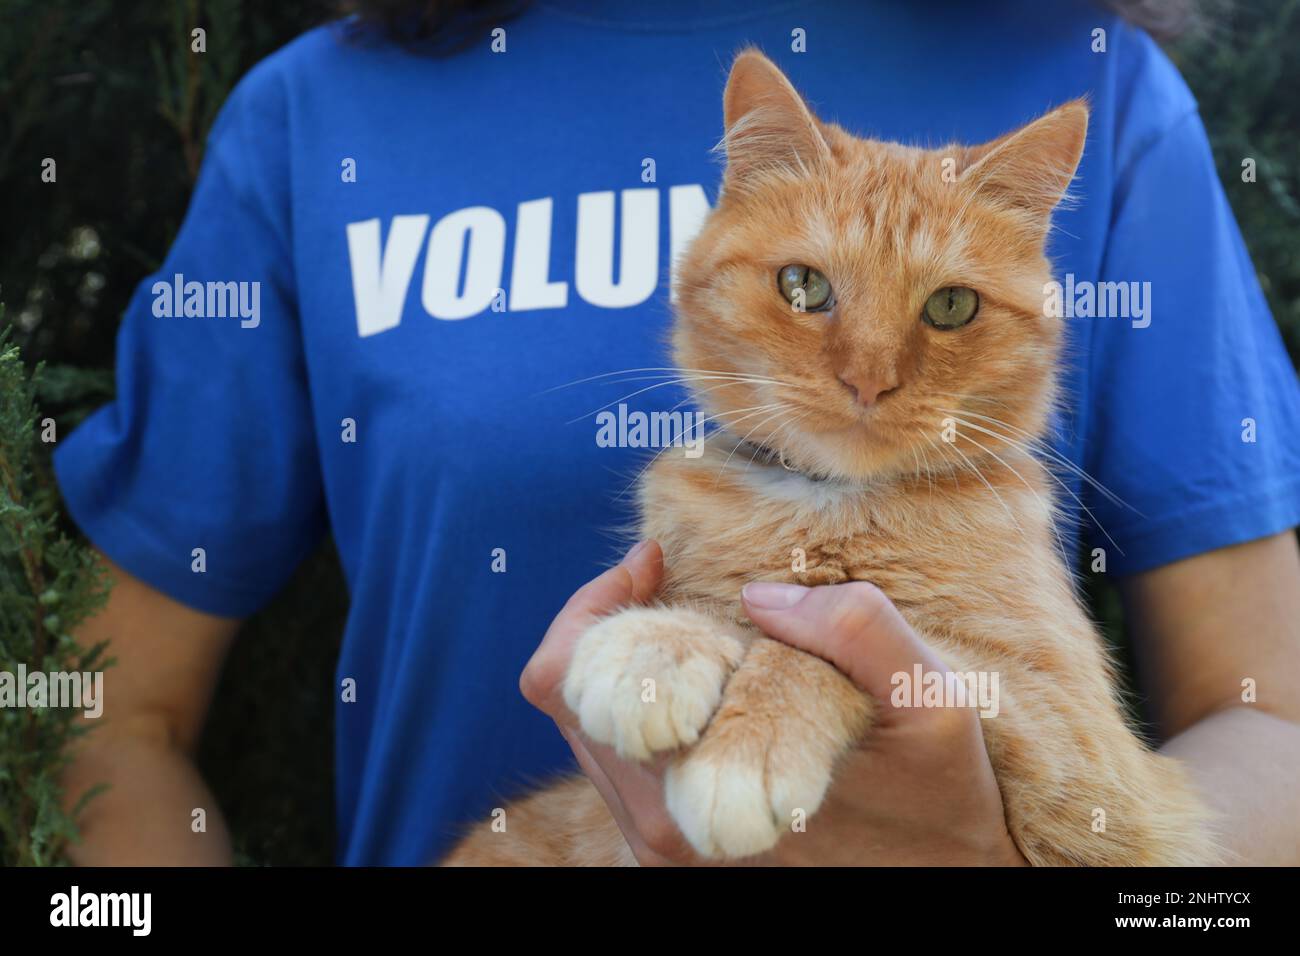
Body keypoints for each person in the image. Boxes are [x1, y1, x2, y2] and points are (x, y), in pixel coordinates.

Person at [57, 0, 1300, 865]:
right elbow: (111, 711)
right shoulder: (314, 117)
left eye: (948, 310)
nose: (870, 375)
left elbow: (1276, 725)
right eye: (807, 291)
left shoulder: (1085, 75)